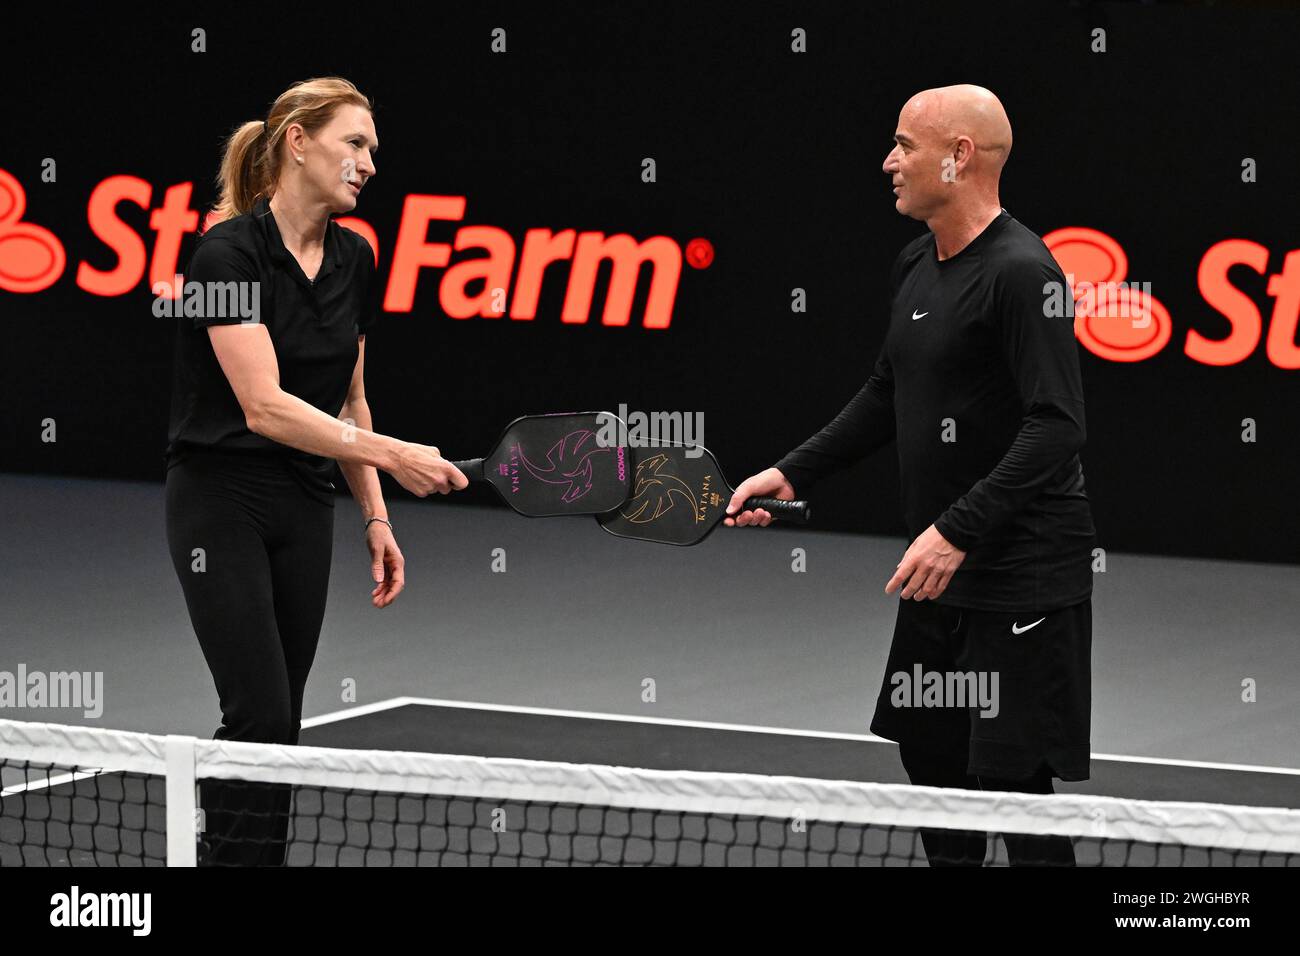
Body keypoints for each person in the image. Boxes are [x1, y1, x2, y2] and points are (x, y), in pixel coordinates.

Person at [725, 85, 1096, 866]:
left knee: (1015, 788)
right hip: (938, 575)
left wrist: (957, 529)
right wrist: (794, 472)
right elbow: (888, 390)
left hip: (1020, 578)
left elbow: (1058, 424)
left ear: (959, 158)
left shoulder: (1025, 274)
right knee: (931, 764)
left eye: (905, 145)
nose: (889, 162)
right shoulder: (916, 263)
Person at [164, 77, 468, 865]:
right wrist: (396, 458)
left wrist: (375, 514)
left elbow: (353, 398)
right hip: (220, 500)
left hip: (305, 501)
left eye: (374, 150)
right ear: (297, 140)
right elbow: (263, 407)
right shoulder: (224, 255)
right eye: (355, 143)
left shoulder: (357, 257)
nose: (369, 163)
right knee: (257, 710)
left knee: (283, 725)